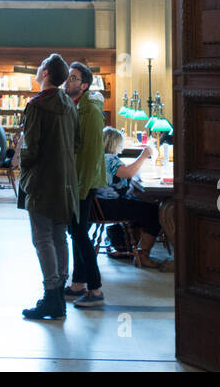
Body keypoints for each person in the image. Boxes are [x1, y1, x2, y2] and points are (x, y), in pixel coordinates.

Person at [17, 53, 81, 320]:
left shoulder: (37, 105)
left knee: (42, 237)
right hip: (66, 181)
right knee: (59, 235)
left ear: (45, 73)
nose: (38, 67)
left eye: (40, 64)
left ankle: (51, 295)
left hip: (42, 181)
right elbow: (77, 143)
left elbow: (30, 148)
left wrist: (24, 168)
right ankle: (59, 294)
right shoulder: (69, 103)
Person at [62, 61, 107, 308]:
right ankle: (78, 283)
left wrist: (81, 185)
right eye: (68, 77)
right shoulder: (76, 105)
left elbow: (90, 151)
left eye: (74, 78)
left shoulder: (89, 108)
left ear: (85, 85)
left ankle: (95, 289)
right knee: (75, 233)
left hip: (84, 181)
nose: (68, 81)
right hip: (76, 179)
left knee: (80, 233)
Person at [95, 127, 165, 268]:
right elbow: (128, 173)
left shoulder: (99, 157)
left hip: (101, 205)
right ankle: (143, 255)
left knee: (141, 205)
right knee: (153, 212)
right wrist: (143, 156)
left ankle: (134, 247)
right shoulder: (110, 159)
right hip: (110, 206)